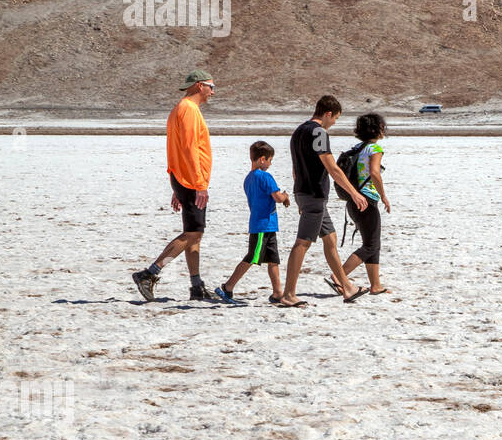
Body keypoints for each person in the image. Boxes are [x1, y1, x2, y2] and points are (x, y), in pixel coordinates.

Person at [132, 69, 219, 302]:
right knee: (193, 233)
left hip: (184, 179)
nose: (213, 92)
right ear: (200, 86)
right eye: (212, 87)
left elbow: (176, 150)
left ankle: (196, 285)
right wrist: (198, 185)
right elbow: (189, 150)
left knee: (195, 234)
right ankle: (150, 273)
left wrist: (176, 183)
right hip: (191, 181)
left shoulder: (180, 110)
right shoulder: (188, 111)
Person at [279, 95, 369, 307]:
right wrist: (354, 193)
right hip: (314, 195)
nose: (334, 123)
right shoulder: (319, 132)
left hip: (305, 193)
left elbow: (295, 168)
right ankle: (288, 294)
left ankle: (346, 287)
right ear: (328, 114)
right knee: (303, 243)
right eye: (335, 118)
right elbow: (332, 168)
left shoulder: (298, 131)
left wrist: (299, 196)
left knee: (330, 239)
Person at [215, 141, 290, 305]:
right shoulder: (265, 176)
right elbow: (277, 197)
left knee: (273, 259)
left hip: (266, 225)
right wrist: (285, 196)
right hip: (262, 225)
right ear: (263, 159)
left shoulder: (248, 178)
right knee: (251, 257)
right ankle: (228, 287)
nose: (270, 164)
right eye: (270, 160)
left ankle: (278, 292)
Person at [329, 113, 391, 296]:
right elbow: (374, 173)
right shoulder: (374, 149)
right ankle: (339, 275)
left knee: (372, 243)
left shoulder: (357, 148)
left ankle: (376, 285)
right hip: (366, 200)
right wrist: (384, 196)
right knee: (371, 245)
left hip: (352, 199)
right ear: (378, 129)